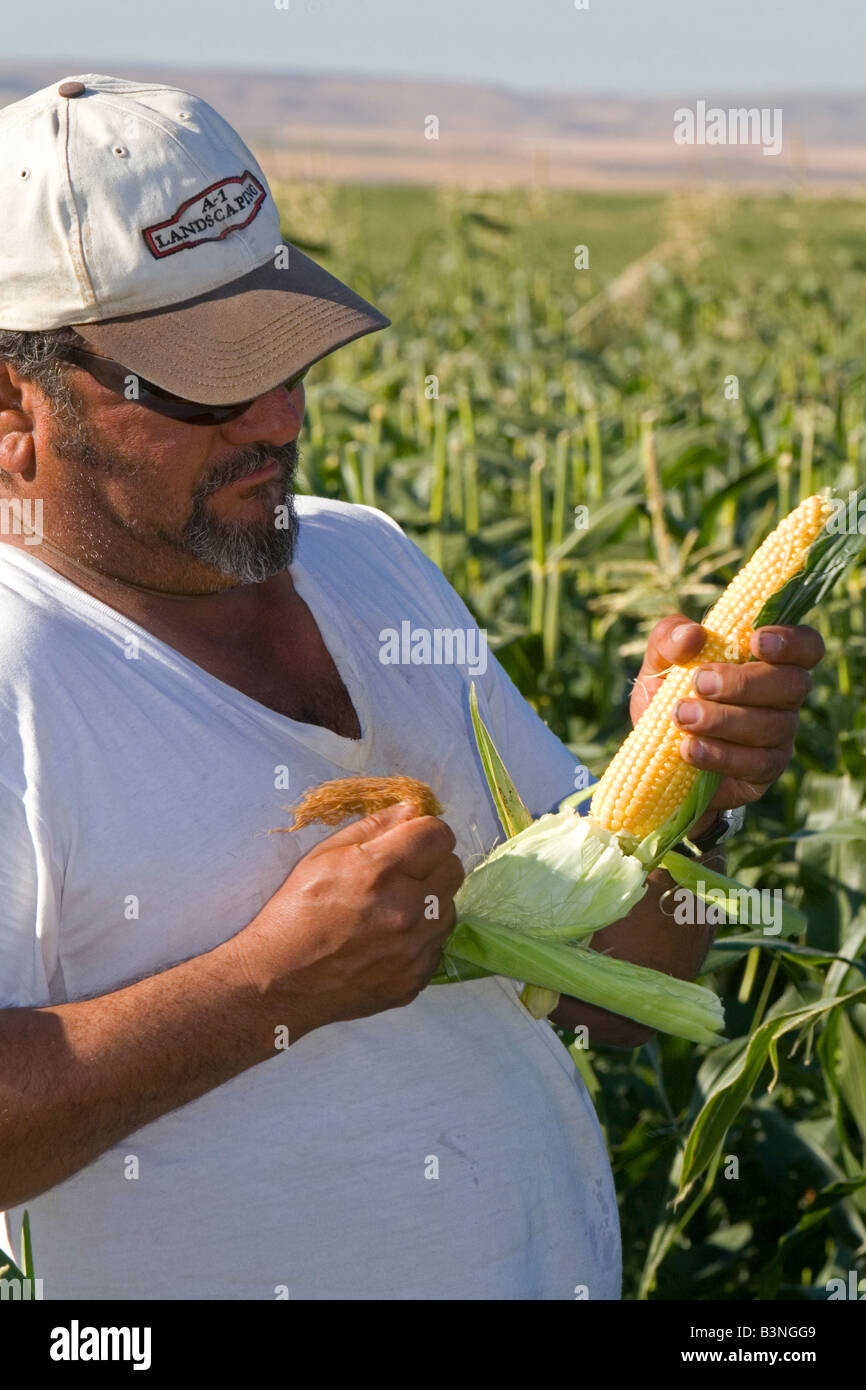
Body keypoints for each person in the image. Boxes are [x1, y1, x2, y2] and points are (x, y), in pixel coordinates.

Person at [0, 74, 823, 1301]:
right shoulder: (21, 672)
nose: (278, 416)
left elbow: (623, 985)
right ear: (17, 410)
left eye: (284, 358)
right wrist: (266, 984)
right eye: (210, 384)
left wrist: (682, 796)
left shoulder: (366, 560)